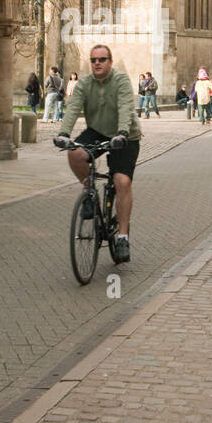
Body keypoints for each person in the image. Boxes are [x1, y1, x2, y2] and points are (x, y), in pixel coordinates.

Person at [54, 45, 140, 264]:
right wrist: (64, 132)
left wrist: (121, 133)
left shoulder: (120, 81)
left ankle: (122, 237)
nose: (97, 63)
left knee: (121, 181)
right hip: (97, 131)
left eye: (102, 59)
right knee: (74, 153)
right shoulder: (84, 83)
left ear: (110, 61)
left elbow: (125, 108)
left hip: (126, 135)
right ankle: (89, 191)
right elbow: (73, 107)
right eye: (93, 60)